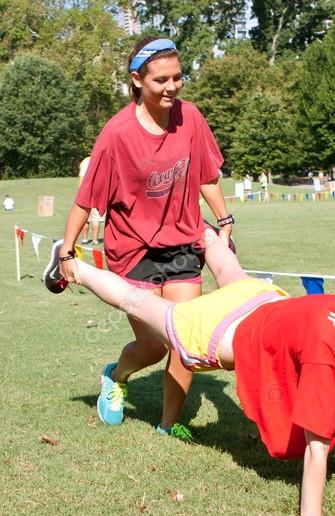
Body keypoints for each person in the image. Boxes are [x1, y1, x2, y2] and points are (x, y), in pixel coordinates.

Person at [44, 226, 335, 516]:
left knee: (230, 272)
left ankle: (207, 235)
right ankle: (71, 266)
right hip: (222, 330)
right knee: (138, 302)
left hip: (263, 299)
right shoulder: (330, 354)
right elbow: (316, 445)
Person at [54, 36, 230, 441]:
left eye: (178, 77)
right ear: (137, 79)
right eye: (161, 80)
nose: (172, 87)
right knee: (154, 346)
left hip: (184, 243)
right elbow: (86, 200)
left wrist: (224, 218)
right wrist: (67, 251)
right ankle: (117, 375)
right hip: (133, 251)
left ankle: (168, 425)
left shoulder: (191, 118)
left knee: (185, 338)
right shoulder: (116, 134)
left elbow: (206, 175)